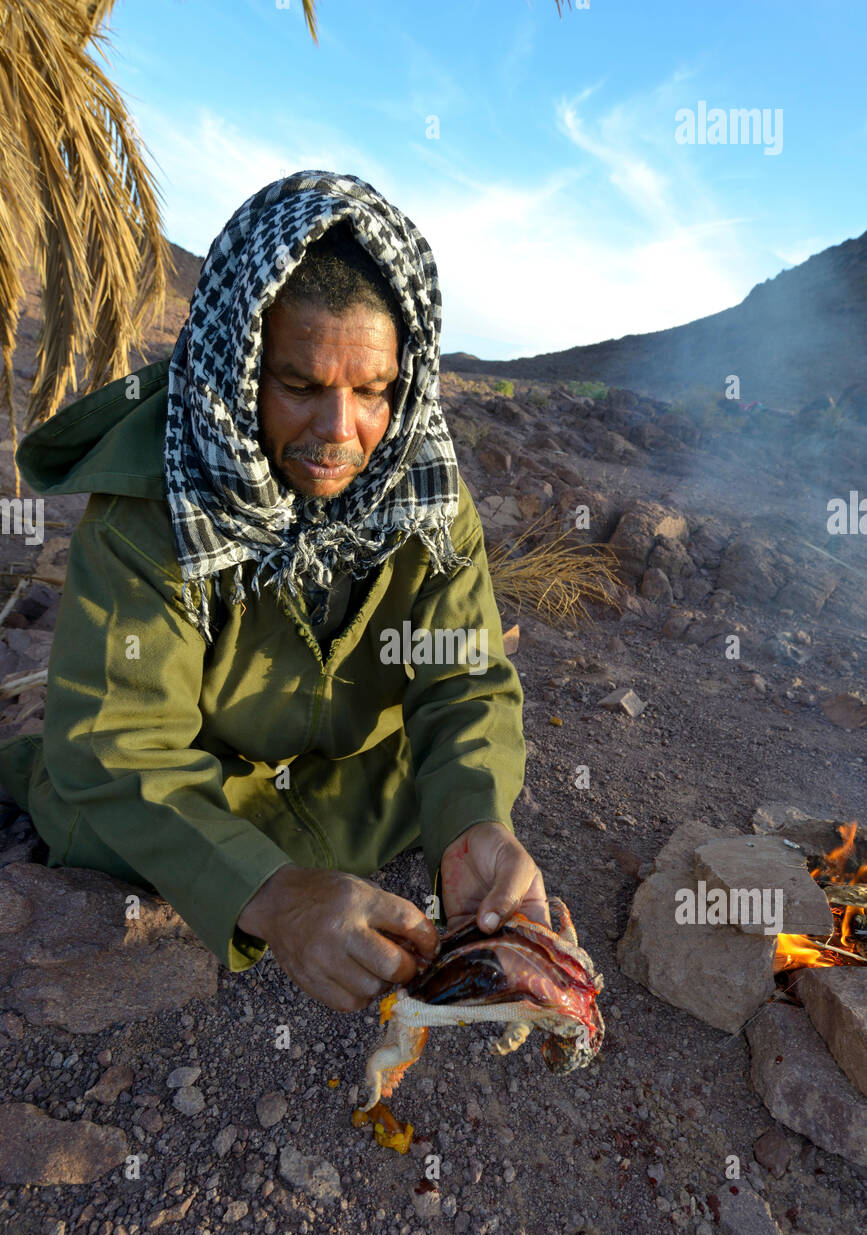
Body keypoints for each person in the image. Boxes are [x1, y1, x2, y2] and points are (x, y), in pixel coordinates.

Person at [0, 170, 548, 1012]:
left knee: (441, 785)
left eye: (372, 391)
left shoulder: (424, 489)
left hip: (364, 781)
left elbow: (463, 679)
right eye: (299, 385)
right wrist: (276, 896)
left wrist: (475, 819)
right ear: (241, 363)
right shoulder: (153, 507)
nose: (340, 433)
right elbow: (120, 742)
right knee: (92, 815)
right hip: (205, 783)